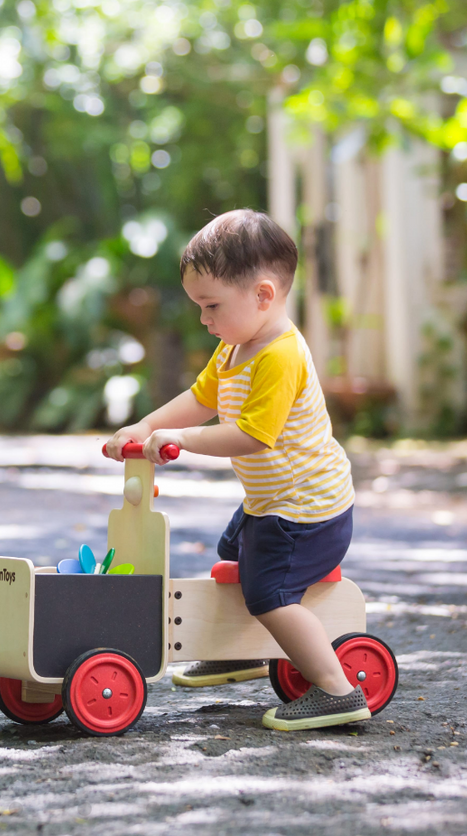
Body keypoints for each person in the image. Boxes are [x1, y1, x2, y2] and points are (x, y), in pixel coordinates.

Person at [106, 209, 369, 731]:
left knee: (268, 592)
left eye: (211, 306)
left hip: (308, 510)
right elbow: (200, 398)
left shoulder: (280, 356)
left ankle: (337, 691)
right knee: (232, 555)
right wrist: (144, 426)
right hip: (272, 502)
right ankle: (241, 650)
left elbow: (250, 434)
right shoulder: (233, 348)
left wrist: (181, 440)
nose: (204, 320)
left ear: (263, 296)